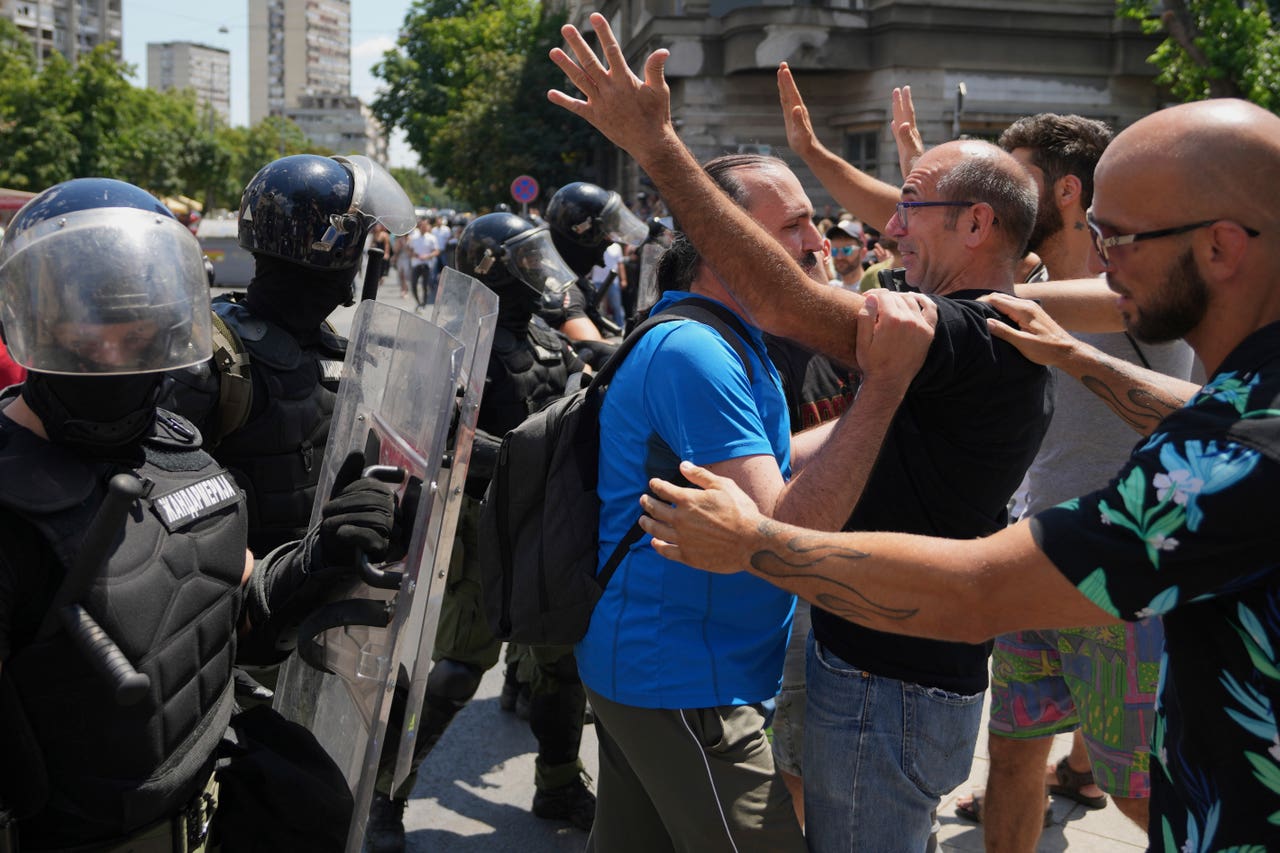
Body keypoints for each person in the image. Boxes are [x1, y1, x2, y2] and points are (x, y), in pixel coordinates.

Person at [638, 95, 1280, 852]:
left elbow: (979, 591)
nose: (1101, 263)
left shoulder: (1234, 458)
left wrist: (756, 542)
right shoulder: (1242, 407)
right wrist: (1080, 357)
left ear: (1221, 247)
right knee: (1015, 762)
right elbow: (1205, 411)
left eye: (1117, 237)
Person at [548, 19, 1054, 850]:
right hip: (704, 672)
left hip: (878, 683)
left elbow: (785, 312)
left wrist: (658, 147)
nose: (878, 231)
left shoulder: (963, 333)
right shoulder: (707, 346)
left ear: (975, 226)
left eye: (909, 207)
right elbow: (790, 477)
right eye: (795, 226)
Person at [0, 178, 401, 852]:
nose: (118, 352)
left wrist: (323, 554)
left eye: (141, 333)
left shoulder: (180, 451)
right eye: (90, 329)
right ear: (38, 322)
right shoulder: (11, 502)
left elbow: (238, 610)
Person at [578, 151, 934, 853]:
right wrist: (886, 386)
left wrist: (892, 411)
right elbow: (783, 533)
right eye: (794, 225)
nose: (818, 242)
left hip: (662, 668)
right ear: (724, 238)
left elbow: (768, 467)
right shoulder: (697, 352)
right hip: (682, 679)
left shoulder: (721, 335)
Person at [949, 112, 1195, 847]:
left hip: (1120, 584)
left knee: (1136, 790)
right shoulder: (1032, 281)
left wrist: (956, 292)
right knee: (1012, 755)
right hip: (1034, 558)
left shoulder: (1137, 287)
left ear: (1063, 192)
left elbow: (1011, 304)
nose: (1000, 194)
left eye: (1015, 178)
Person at [366, 212, 596, 852]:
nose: (541, 271)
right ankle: (384, 795)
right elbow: (423, 439)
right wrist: (514, 456)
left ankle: (557, 783)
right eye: (527, 260)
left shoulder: (547, 340)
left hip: (548, 522)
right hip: (477, 523)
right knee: (456, 670)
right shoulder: (456, 349)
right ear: (494, 270)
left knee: (562, 665)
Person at [541, 181, 649, 348]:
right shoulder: (564, 291)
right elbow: (596, 350)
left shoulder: (570, 278)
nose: (610, 240)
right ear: (582, 232)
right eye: (605, 233)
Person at [409, 217, 439, 309]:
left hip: (426, 265)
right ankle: (418, 301)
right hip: (416, 264)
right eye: (422, 226)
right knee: (413, 284)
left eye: (425, 226)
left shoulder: (431, 238)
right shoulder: (414, 238)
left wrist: (428, 256)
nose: (424, 227)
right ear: (420, 226)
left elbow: (436, 251)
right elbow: (409, 249)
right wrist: (413, 254)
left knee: (425, 285)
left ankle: (424, 302)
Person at [826, 220, 865, 288]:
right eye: (834, 251)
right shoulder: (832, 287)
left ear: (862, 252)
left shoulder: (872, 288)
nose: (839, 257)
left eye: (846, 250)